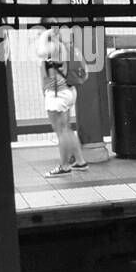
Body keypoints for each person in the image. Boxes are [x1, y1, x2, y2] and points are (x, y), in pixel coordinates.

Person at [38, 24, 88, 177]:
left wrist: (44, 35)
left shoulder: (52, 47)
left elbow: (40, 52)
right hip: (68, 90)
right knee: (66, 128)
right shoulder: (67, 46)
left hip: (57, 93)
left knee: (61, 131)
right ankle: (80, 161)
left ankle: (65, 166)